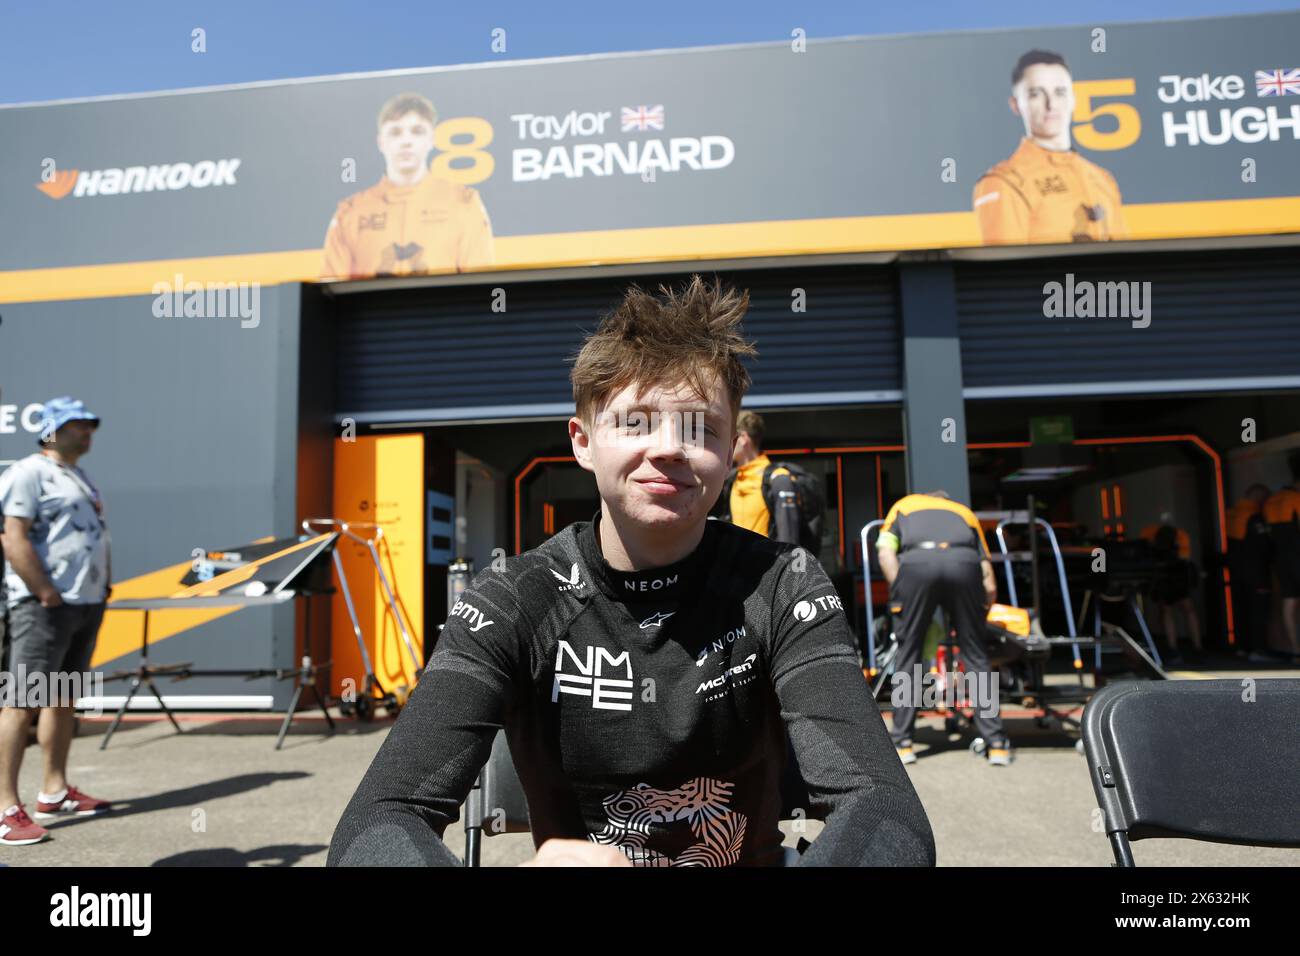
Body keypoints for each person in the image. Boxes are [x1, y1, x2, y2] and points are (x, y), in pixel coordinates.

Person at [329, 276, 935, 867]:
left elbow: (886, 813)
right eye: (636, 421)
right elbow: (379, 822)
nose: (669, 447)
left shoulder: (783, 584)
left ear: (730, 453)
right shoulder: (514, 600)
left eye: (700, 427)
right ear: (582, 442)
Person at [0, 397, 113, 847]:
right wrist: (45, 592)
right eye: (75, 426)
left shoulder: (77, 477)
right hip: (43, 607)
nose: (86, 432)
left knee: (62, 698)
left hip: (82, 605)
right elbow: (12, 536)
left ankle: (54, 791)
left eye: (89, 425)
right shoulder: (27, 472)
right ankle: (6, 808)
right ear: (50, 430)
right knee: (21, 702)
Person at [875, 491, 1011, 767]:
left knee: (909, 654)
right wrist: (981, 608)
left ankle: (903, 743)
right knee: (974, 654)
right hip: (964, 564)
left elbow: (885, 551)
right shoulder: (964, 512)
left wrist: (899, 590)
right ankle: (996, 744)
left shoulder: (902, 505)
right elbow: (988, 575)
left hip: (917, 565)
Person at [321, 92, 494, 280]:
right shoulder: (351, 212)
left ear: (431, 139)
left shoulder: (463, 202)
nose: (406, 141)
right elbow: (330, 289)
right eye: (395, 132)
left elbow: (481, 285)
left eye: (417, 131)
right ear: (381, 142)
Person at [973, 50, 1129, 244]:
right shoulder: (1005, 182)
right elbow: (1005, 269)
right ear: (1016, 105)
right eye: (1036, 94)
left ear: (1073, 99)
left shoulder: (1103, 179)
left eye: (1060, 92)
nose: (1051, 104)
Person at [713, 410, 804, 545]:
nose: (727, 445)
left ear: (743, 439)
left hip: (767, 564)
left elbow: (789, 542)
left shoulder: (778, 479)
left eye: (731, 439)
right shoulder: (732, 480)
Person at [1139, 513, 1202, 663]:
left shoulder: (1148, 534)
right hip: (1177, 576)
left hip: (1164, 576)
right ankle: (1196, 647)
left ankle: (1173, 649)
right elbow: (1185, 558)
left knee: (1167, 611)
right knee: (1187, 609)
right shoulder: (1181, 536)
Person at [1226, 485, 1273, 662]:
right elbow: (1264, 545)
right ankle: (1258, 650)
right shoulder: (1254, 516)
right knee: (1258, 610)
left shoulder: (1231, 513)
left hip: (1235, 569)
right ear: (1258, 497)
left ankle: (1241, 648)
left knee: (1240, 609)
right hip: (1255, 570)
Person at [1263, 470, 1300, 663]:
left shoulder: (1270, 501)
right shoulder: (1295, 498)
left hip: (1280, 559)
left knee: (1289, 602)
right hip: (1297, 554)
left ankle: (1295, 650)